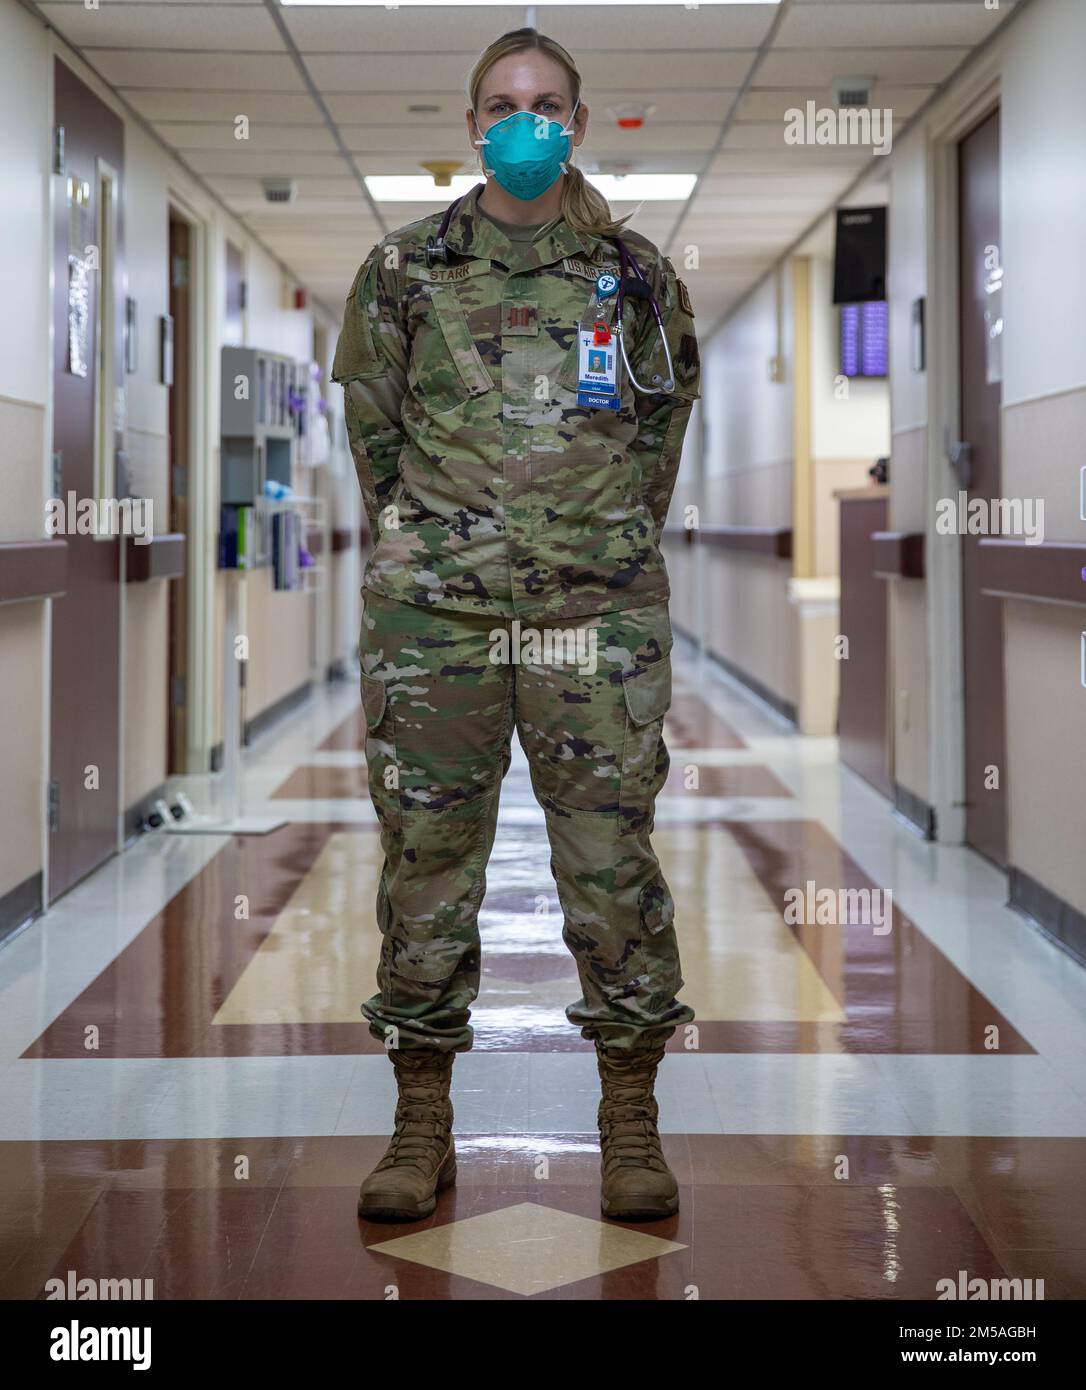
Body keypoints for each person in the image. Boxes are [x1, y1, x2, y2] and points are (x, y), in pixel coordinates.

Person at [331, 25, 701, 1225]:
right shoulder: (402, 271)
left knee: (611, 865)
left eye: (547, 103)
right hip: (435, 619)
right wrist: (446, 550)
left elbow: (659, 444)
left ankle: (630, 1112)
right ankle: (422, 1115)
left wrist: (584, 551)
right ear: (473, 126)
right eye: (503, 103)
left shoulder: (638, 278)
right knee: (429, 866)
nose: (525, 121)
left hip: (596, 619)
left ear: (579, 122)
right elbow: (375, 447)